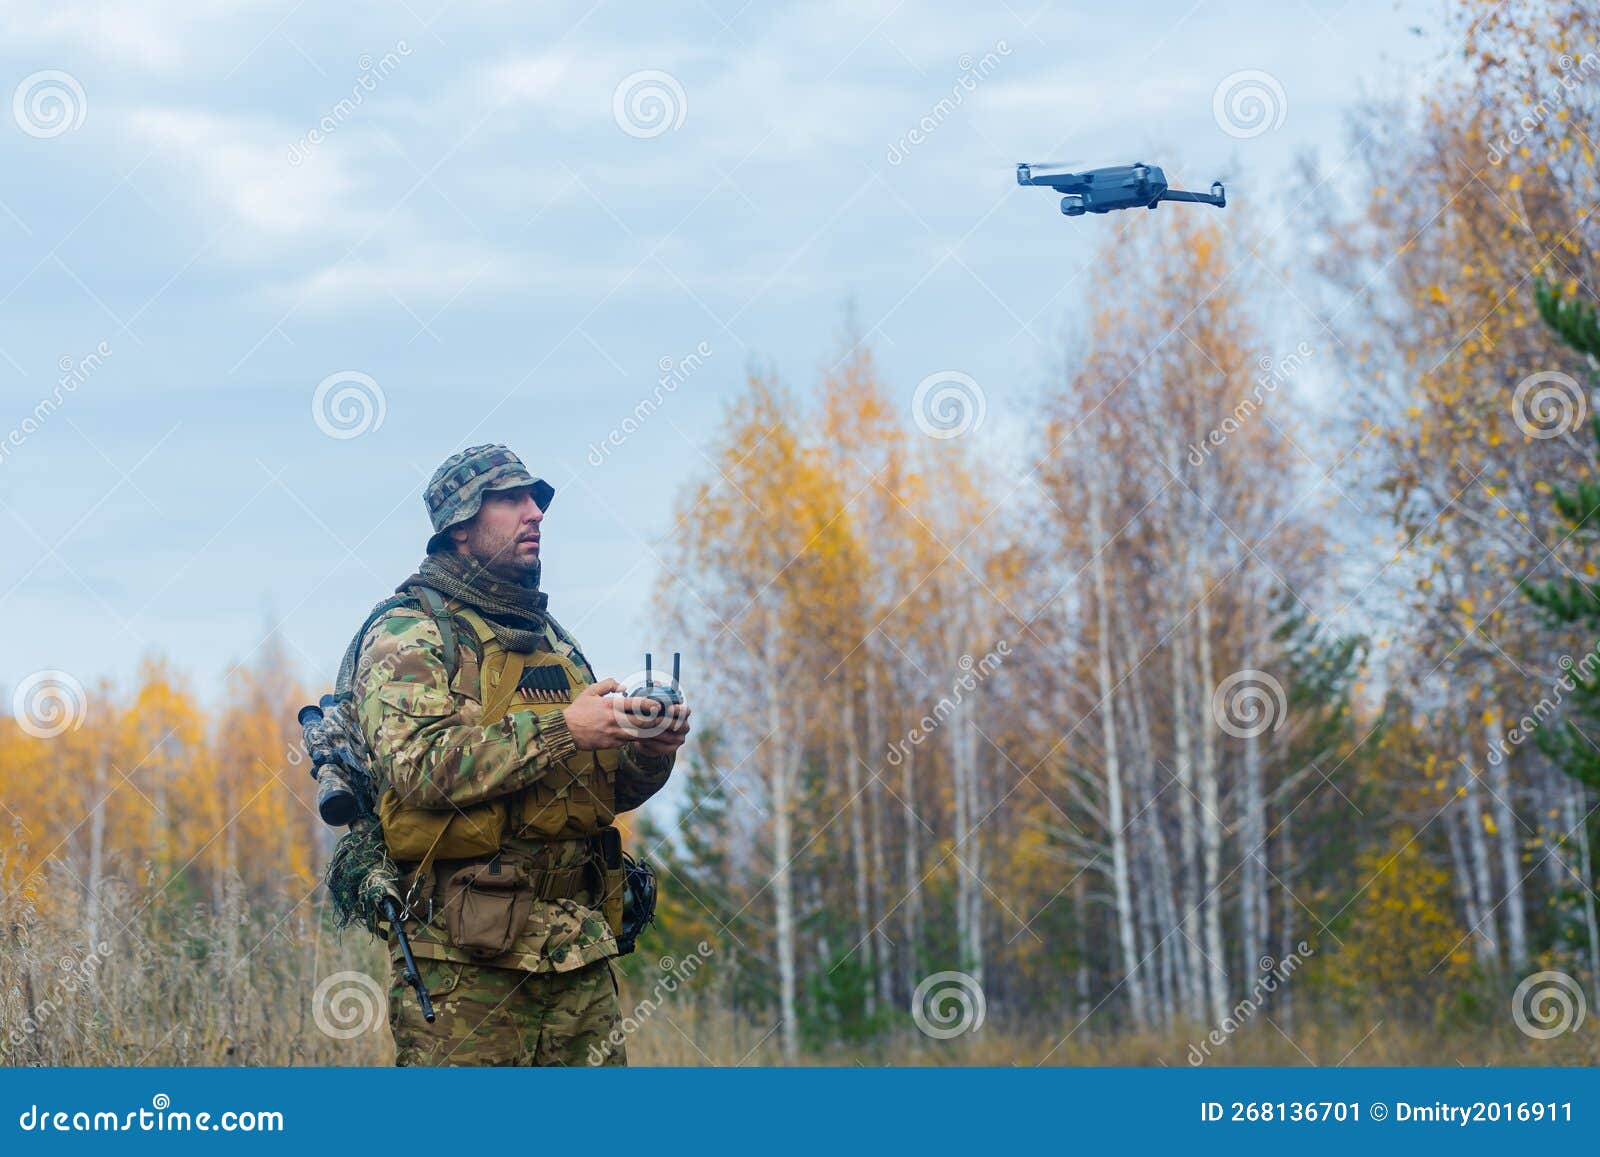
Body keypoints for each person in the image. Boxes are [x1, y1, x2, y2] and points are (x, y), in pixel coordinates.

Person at [351, 443, 689, 1065]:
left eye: (535, 500)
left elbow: (600, 795)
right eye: (509, 500)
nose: (534, 513)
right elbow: (416, 767)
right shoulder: (411, 631)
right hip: (463, 967)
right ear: (459, 526)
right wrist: (563, 730)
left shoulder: (551, 638)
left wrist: (651, 751)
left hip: (577, 955)